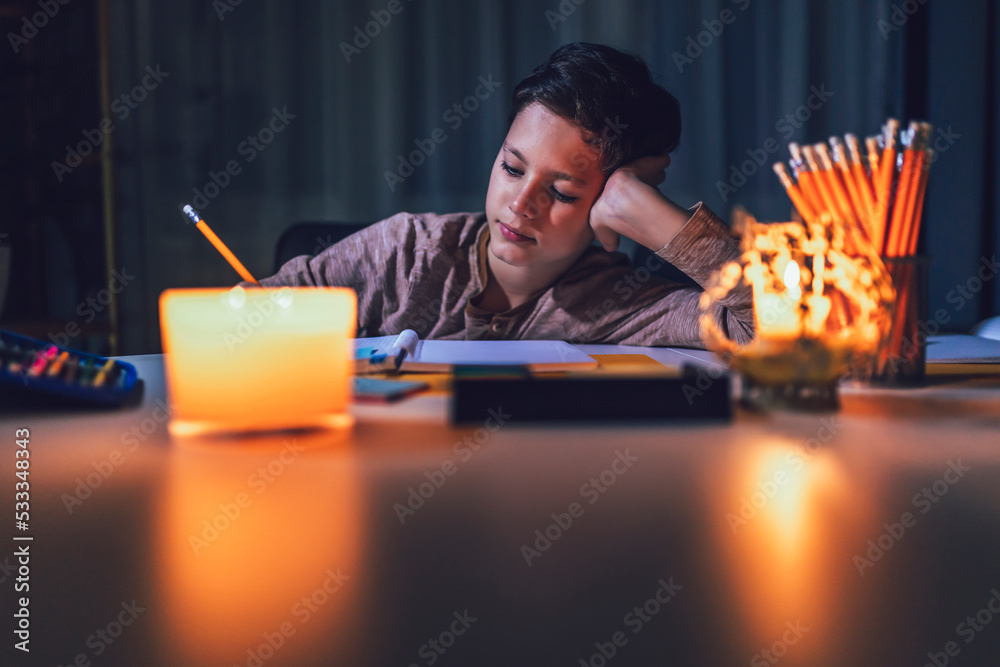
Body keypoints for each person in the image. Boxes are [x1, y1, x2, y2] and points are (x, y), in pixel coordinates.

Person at [253, 42, 754, 348]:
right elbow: (246, 318)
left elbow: (791, 333)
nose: (520, 203)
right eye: (512, 168)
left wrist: (663, 221)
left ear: (608, 206)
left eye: (561, 193)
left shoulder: (615, 304)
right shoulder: (404, 255)